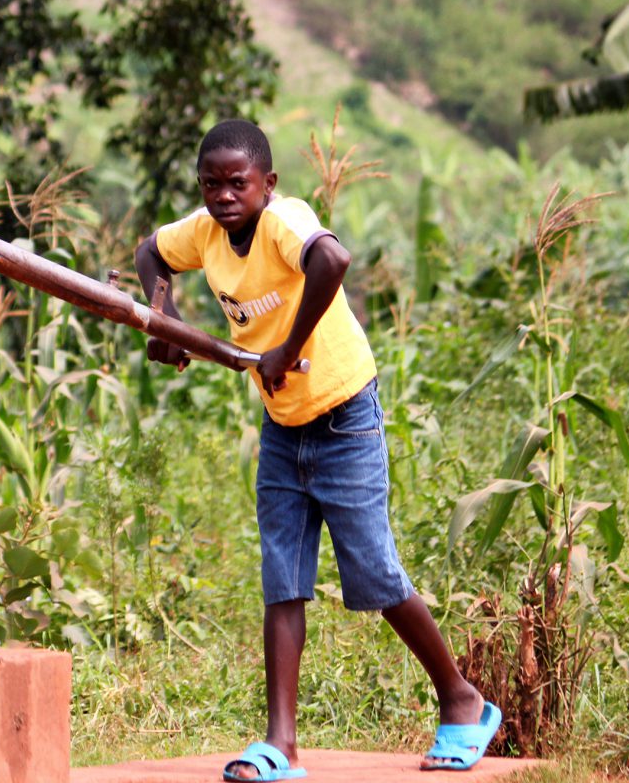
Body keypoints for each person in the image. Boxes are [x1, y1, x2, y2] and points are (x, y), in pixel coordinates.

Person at [133, 119, 501, 781]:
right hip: (283, 426)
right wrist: (167, 319)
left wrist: (289, 347)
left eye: (238, 183)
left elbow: (333, 260)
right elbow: (149, 252)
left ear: (267, 184)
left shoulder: (285, 220)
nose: (223, 196)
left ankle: (461, 699)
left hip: (343, 416)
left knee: (374, 573)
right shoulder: (206, 232)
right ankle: (281, 744)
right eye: (211, 184)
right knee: (283, 579)